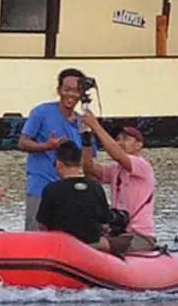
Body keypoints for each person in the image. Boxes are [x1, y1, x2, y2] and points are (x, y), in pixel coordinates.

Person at [16, 68, 97, 229]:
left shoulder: (83, 122)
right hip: (41, 188)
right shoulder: (41, 112)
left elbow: (88, 162)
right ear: (59, 90)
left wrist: (87, 135)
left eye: (77, 91)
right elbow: (22, 143)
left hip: (68, 193)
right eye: (67, 90)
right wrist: (47, 146)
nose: (72, 95)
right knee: (36, 237)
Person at [32, 139, 114, 250]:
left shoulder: (51, 189)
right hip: (91, 245)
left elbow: (42, 224)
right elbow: (105, 222)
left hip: (62, 246)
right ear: (80, 162)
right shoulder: (95, 186)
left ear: (59, 163)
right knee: (108, 243)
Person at [93, 117, 159, 249]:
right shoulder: (115, 170)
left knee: (95, 245)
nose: (121, 143)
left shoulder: (142, 165)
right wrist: (85, 140)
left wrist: (95, 126)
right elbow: (90, 168)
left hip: (139, 234)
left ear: (139, 145)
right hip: (118, 232)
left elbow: (117, 155)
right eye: (118, 139)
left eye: (126, 139)